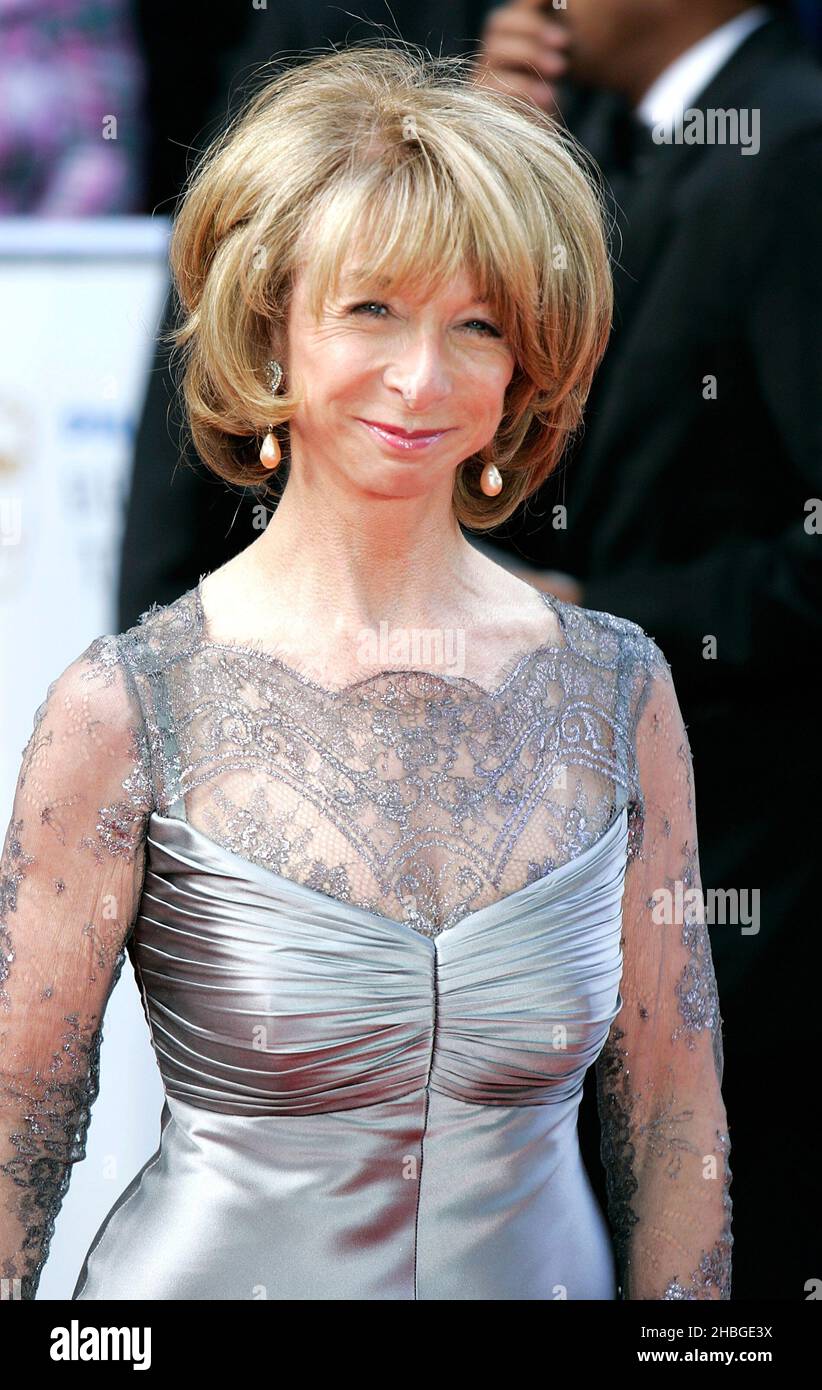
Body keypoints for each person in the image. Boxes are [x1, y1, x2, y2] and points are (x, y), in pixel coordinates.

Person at [0, 43, 731, 1301]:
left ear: (525, 366)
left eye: (479, 325)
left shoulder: (620, 690)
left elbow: (676, 1123)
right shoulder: (129, 704)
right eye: (373, 309)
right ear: (273, 327)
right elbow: (20, 1117)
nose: (422, 377)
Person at [473, 0, 822, 1300]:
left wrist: (600, 621)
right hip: (616, 896)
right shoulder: (620, 147)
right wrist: (498, 173)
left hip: (756, 903)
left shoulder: (788, 154)